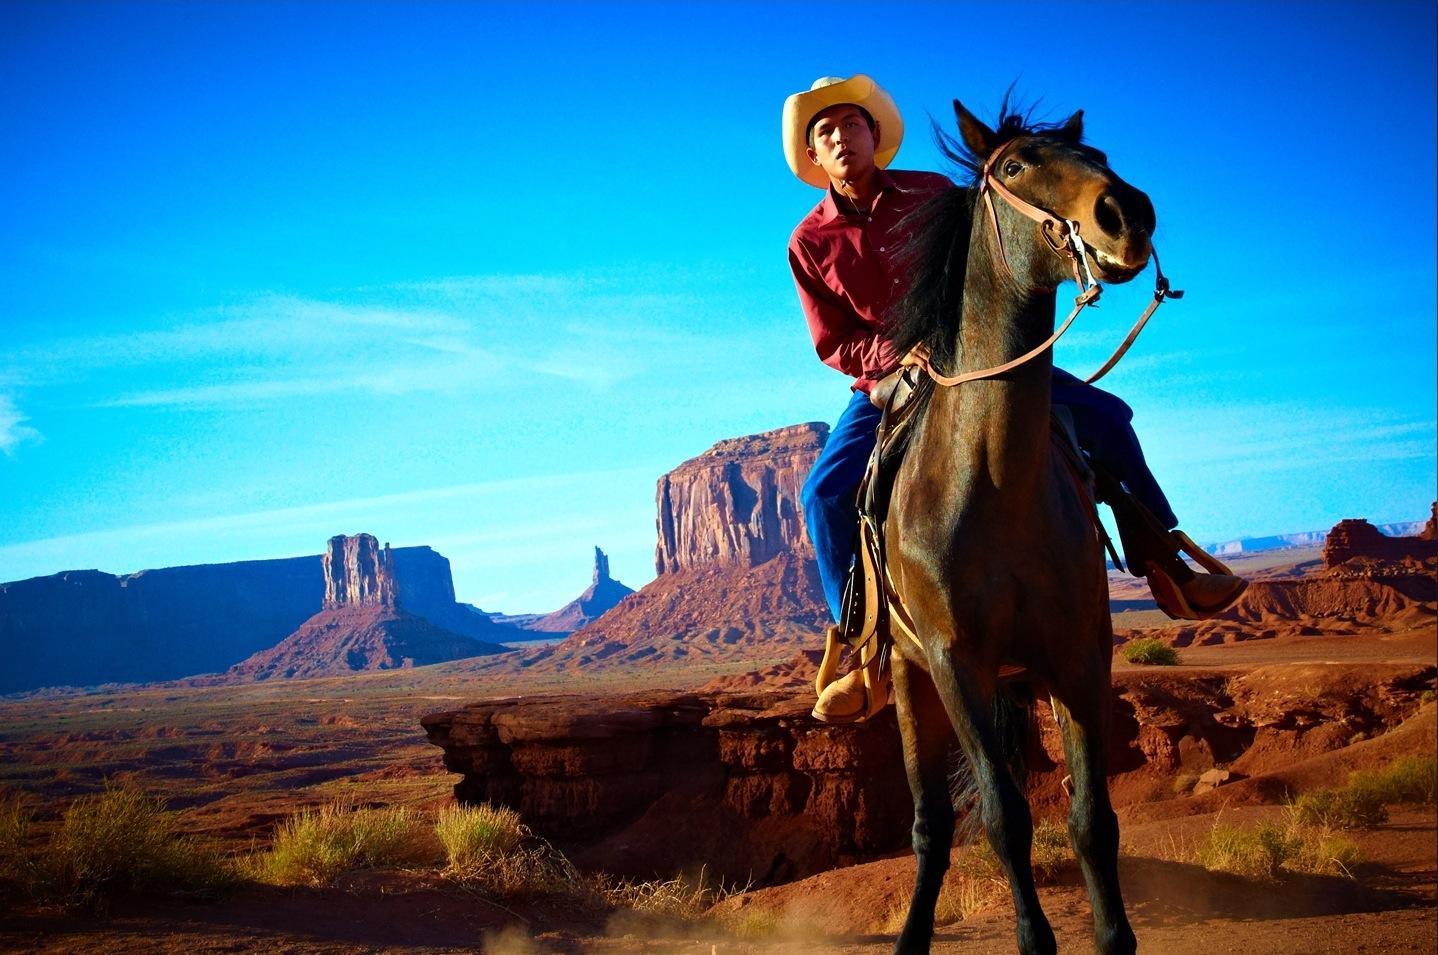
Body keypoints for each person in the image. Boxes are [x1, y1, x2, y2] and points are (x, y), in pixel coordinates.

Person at [783, 75, 1246, 723]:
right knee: (823, 494)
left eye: (851, 125)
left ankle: (1163, 557)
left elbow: (989, 260)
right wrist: (894, 358)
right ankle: (865, 648)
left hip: (979, 357)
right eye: (826, 132)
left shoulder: (932, 192)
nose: (841, 138)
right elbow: (833, 341)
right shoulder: (808, 242)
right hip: (888, 382)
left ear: (874, 134)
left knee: (1108, 418)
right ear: (814, 154)